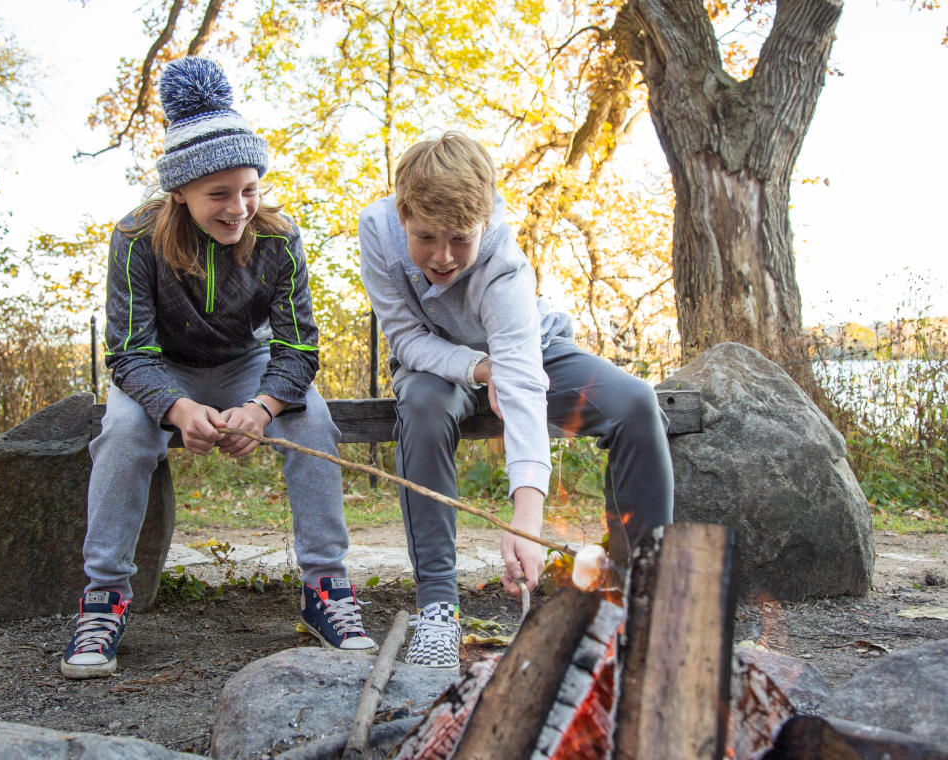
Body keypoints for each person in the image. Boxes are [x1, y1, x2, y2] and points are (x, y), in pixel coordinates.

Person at [62, 57, 376, 680]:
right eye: (220, 195)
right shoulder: (135, 238)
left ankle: (327, 589)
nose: (239, 208)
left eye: (250, 189)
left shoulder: (280, 240)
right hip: (158, 369)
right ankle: (104, 598)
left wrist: (262, 409)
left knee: (312, 423)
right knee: (124, 435)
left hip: (245, 366)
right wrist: (176, 408)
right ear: (179, 192)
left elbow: (298, 349)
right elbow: (127, 351)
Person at [358, 132, 673, 669]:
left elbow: (524, 382)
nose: (442, 256)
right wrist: (481, 370)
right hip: (437, 363)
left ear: (485, 222)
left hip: (528, 348)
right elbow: (406, 338)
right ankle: (437, 608)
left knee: (637, 402)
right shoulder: (377, 231)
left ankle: (645, 598)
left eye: (460, 239)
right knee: (424, 408)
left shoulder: (504, 266)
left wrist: (525, 519)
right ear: (403, 215)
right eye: (426, 237)